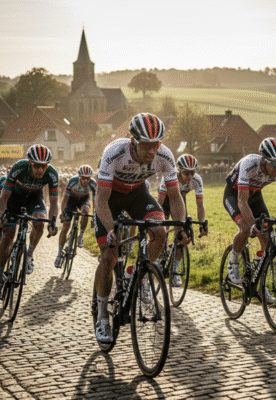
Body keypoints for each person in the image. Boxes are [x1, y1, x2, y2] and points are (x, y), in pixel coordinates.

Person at [93, 113, 190, 343]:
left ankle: (140, 277)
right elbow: (101, 200)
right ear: (133, 141)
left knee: (160, 231)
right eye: (146, 145)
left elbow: (175, 197)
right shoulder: (114, 152)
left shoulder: (165, 155)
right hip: (110, 198)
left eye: (156, 144)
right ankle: (102, 316)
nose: (151, 150)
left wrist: (181, 227)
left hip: (137, 193)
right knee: (109, 256)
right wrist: (110, 229)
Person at [222, 137, 276, 303]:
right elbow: (242, 201)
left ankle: (259, 283)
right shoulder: (249, 164)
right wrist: (253, 224)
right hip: (234, 195)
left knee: (268, 241)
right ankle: (233, 261)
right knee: (245, 228)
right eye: (274, 164)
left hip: (255, 196)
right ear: (263, 160)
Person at [0, 145, 59, 300]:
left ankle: (29, 256)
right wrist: (1, 215)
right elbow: (4, 196)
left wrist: (53, 222)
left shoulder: (52, 173)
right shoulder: (19, 167)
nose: (40, 170)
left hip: (35, 198)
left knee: (40, 222)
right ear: (30, 163)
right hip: (14, 198)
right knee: (7, 235)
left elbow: (54, 202)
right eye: (36, 166)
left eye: (44, 166)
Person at [157, 154, 207, 287]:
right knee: (161, 230)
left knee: (183, 236)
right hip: (165, 201)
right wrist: (158, 221)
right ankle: (156, 258)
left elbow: (200, 205)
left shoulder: (197, 180)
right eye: (186, 172)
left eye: (192, 172)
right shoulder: (170, 176)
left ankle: (174, 271)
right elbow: (160, 201)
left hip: (179, 201)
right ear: (179, 170)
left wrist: (202, 224)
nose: (190, 176)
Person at [54, 165, 97, 267]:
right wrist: (63, 212)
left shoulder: (93, 183)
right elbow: (65, 200)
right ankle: (59, 254)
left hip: (84, 200)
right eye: (83, 178)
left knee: (86, 211)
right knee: (66, 226)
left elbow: (95, 202)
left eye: (88, 178)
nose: (86, 180)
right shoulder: (73, 181)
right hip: (71, 201)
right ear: (79, 176)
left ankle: (80, 236)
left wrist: (94, 216)